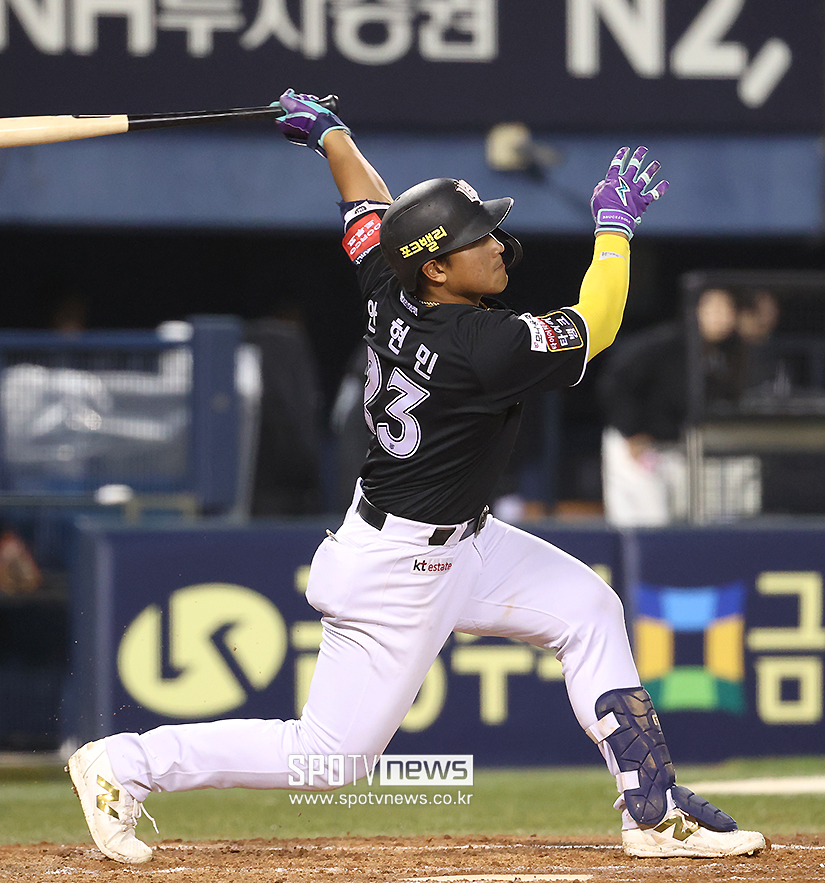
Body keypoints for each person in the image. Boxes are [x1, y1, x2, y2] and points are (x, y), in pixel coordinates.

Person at [66, 90, 765, 863]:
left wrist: (332, 134)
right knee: (326, 759)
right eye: (477, 238)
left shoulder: (388, 282)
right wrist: (614, 229)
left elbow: (366, 205)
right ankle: (123, 764)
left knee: (587, 607)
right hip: (401, 567)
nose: (498, 242)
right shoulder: (481, 346)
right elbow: (595, 324)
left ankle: (652, 806)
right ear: (437, 266)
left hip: (456, 537)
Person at [598, 287, 758, 526]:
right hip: (634, 444)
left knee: (683, 525)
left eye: (726, 309)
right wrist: (631, 431)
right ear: (695, 311)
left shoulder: (728, 353)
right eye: (713, 308)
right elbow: (614, 382)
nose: (720, 316)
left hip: (676, 448)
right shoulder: (664, 344)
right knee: (648, 524)